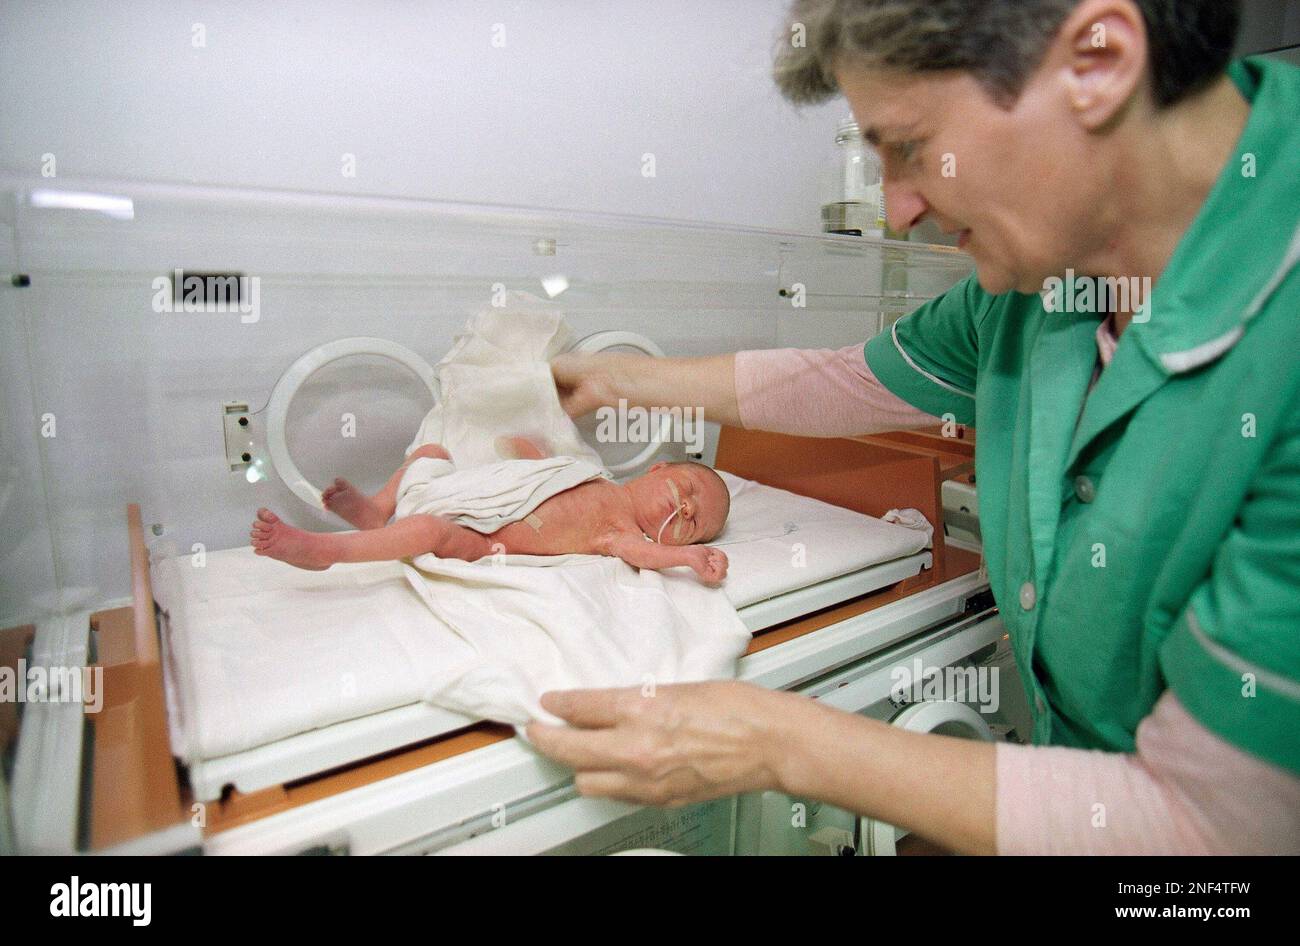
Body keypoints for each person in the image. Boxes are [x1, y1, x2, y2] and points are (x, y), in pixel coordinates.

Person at [526, 0, 1300, 854]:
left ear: (1098, 60)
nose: (897, 212)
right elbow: (850, 380)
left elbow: (1215, 830)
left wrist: (774, 740)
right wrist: (612, 380)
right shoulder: (1043, 285)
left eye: (910, 147)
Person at [249, 436, 731, 583]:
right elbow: (547, 472)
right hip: (470, 495)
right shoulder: (594, 472)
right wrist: (533, 451)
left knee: (426, 530)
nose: (686, 507)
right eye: (688, 488)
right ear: (659, 468)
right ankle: (378, 508)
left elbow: (645, 557)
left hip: (484, 540)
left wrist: (685, 561)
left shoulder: (620, 532)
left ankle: (326, 549)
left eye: (693, 526)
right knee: (433, 453)